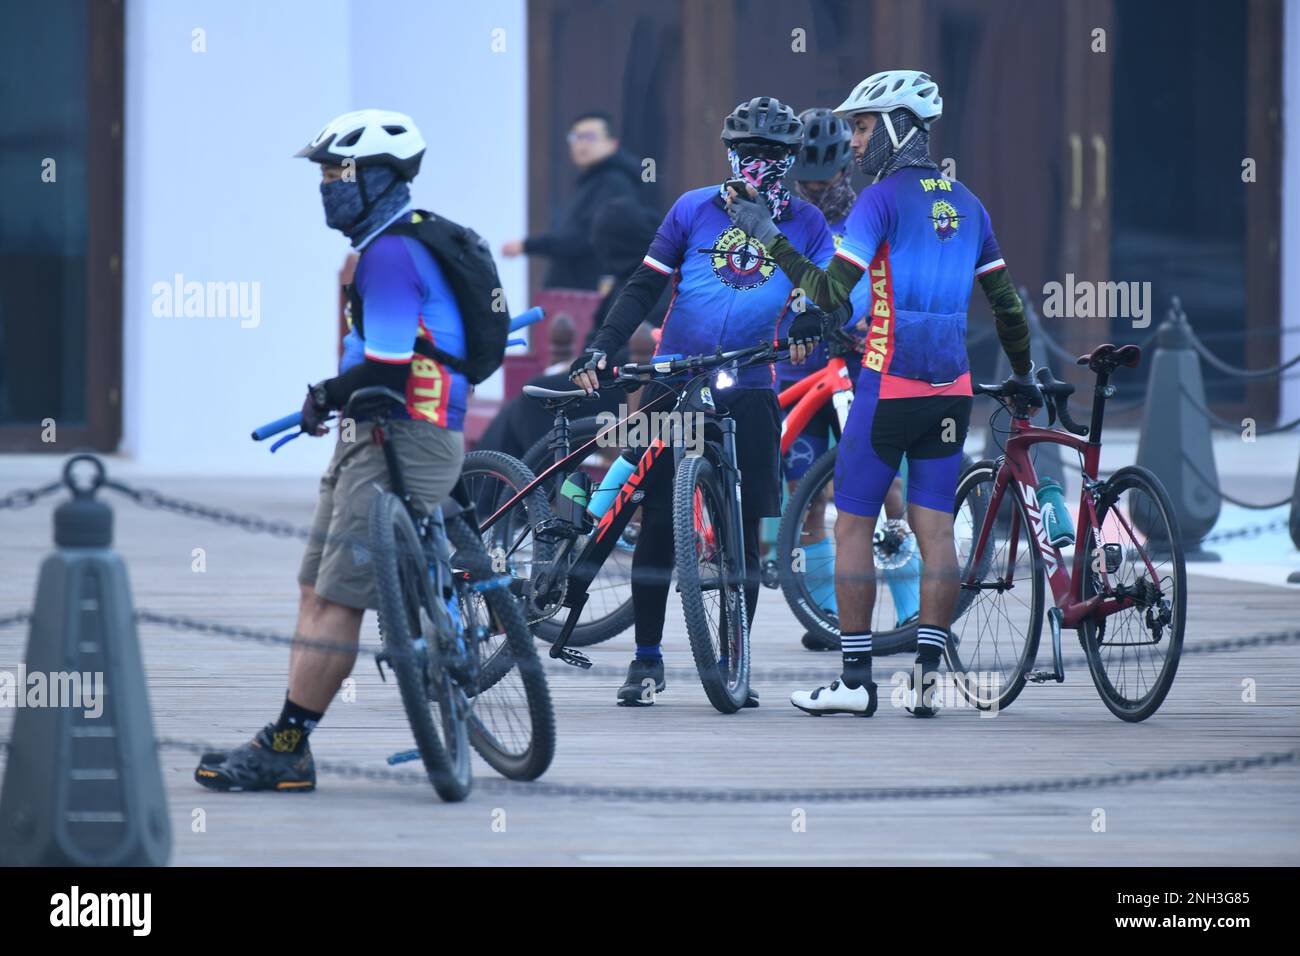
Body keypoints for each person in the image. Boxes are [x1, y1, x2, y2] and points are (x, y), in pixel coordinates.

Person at [723, 71, 1038, 717]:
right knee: (934, 528)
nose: (854, 141)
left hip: (888, 386)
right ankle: (924, 680)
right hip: (953, 391)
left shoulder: (880, 201)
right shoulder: (970, 203)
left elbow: (832, 293)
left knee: (854, 526)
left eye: (864, 126)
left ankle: (856, 681)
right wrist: (1026, 372)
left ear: (898, 126)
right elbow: (1006, 305)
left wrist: (766, 233)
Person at [195, 109, 470, 791]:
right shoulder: (382, 247)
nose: (327, 186)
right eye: (323, 173)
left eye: (338, 172)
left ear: (379, 178)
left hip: (403, 438)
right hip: (372, 435)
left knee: (338, 599)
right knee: (314, 589)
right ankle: (291, 744)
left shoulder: (390, 255)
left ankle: (287, 744)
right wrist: (336, 403)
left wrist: (323, 393)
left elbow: (386, 364)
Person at [569, 96, 836, 706]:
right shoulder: (692, 208)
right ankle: (645, 658)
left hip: (748, 381)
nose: (757, 164)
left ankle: (734, 646)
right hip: (677, 377)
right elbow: (645, 283)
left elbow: (822, 288)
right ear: (729, 153)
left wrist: (806, 319)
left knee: (757, 515)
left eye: (771, 155)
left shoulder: (806, 224)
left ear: (790, 160)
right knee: (661, 518)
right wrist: (605, 345)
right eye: (746, 152)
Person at [780, 108, 915, 653]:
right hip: (797, 363)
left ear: (842, 173)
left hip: (860, 359)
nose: (814, 192)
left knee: (888, 487)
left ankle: (910, 613)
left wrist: (857, 317)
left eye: (824, 182)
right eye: (804, 183)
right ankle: (826, 616)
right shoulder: (783, 214)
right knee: (806, 496)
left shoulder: (866, 212)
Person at [477, 197, 669, 461]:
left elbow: (651, 346)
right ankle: (494, 490)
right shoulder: (623, 279)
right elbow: (599, 337)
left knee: (535, 401)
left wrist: (593, 365)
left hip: (627, 390)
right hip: (602, 380)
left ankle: (543, 488)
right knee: (523, 403)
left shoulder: (656, 285)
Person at [501, 111, 644, 290]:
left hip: (591, 290)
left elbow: (586, 237)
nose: (581, 143)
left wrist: (529, 245)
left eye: (590, 136)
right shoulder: (591, 181)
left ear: (612, 144)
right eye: (575, 136)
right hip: (577, 288)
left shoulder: (614, 183)